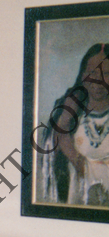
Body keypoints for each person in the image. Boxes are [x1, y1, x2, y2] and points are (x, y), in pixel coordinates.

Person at [39, 44, 109, 206]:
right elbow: (52, 144)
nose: (98, 80)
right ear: (83, 75)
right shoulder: (71, 107)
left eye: (106, 73)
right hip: (76, 201)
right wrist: (78, 162)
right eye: (92, 73)